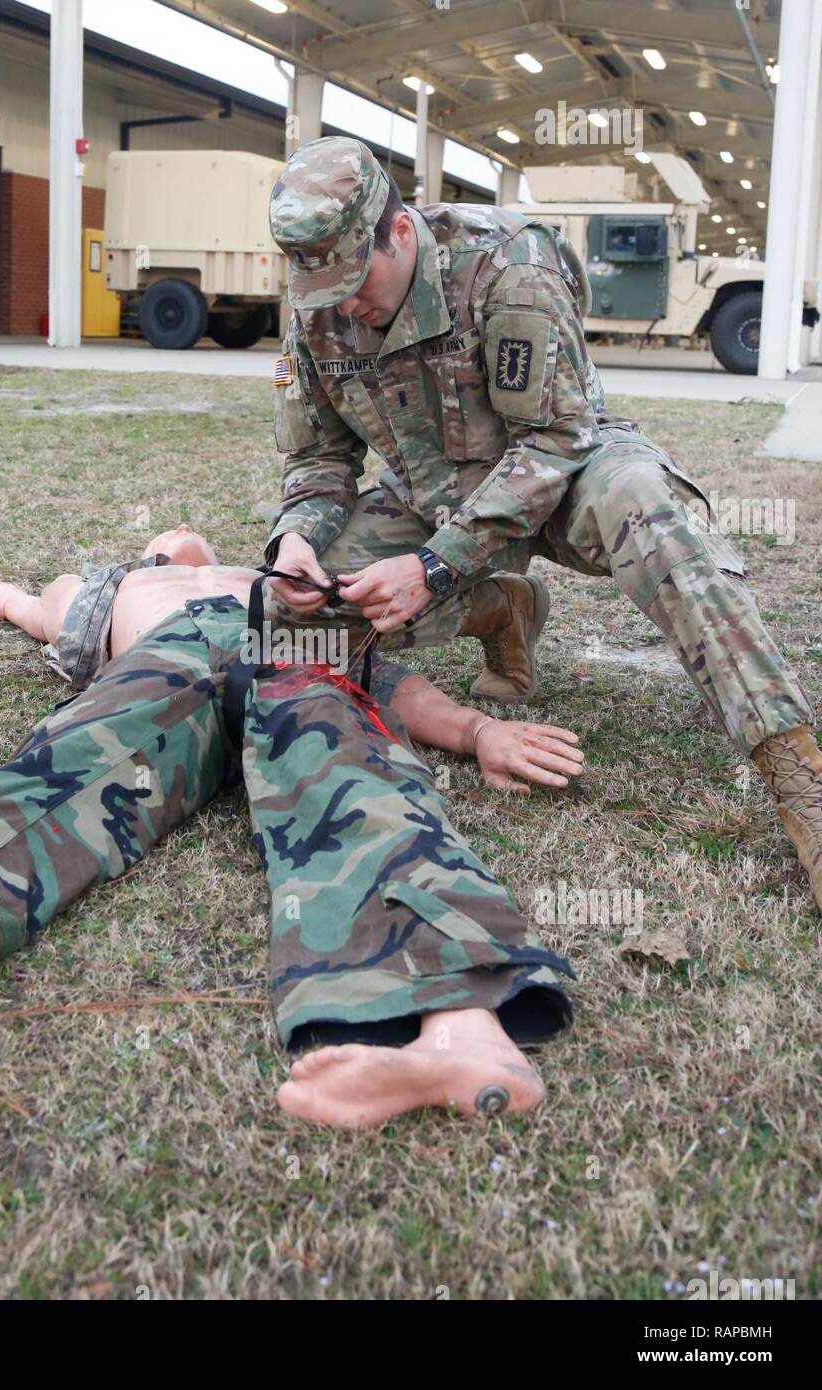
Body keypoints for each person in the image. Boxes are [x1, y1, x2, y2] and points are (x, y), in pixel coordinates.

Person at [0, 526, 585, 1129]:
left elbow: (387, 681)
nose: (182, 538)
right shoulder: (109, 586)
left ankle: (465, 1035)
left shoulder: (270, 571)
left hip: (289, 648)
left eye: (190, 535)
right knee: (66, 780)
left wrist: (480, 733)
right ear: (151, 549)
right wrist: (13, 599)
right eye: (168, 538)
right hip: (166, 661)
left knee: (362, 781)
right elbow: (41, 612)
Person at [264, 135, 821, 910]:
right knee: (299, 624)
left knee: (652, 513)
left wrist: (433, 567)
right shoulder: (315, 310)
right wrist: (298, 539)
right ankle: (501, 610)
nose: (345, 306)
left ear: (400, 231)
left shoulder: (505, 262)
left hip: (563, 470)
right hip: (433, 494)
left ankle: (795, 772)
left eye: (357, 280)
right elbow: (320, 462)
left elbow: (557, 437)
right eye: (324, 291)